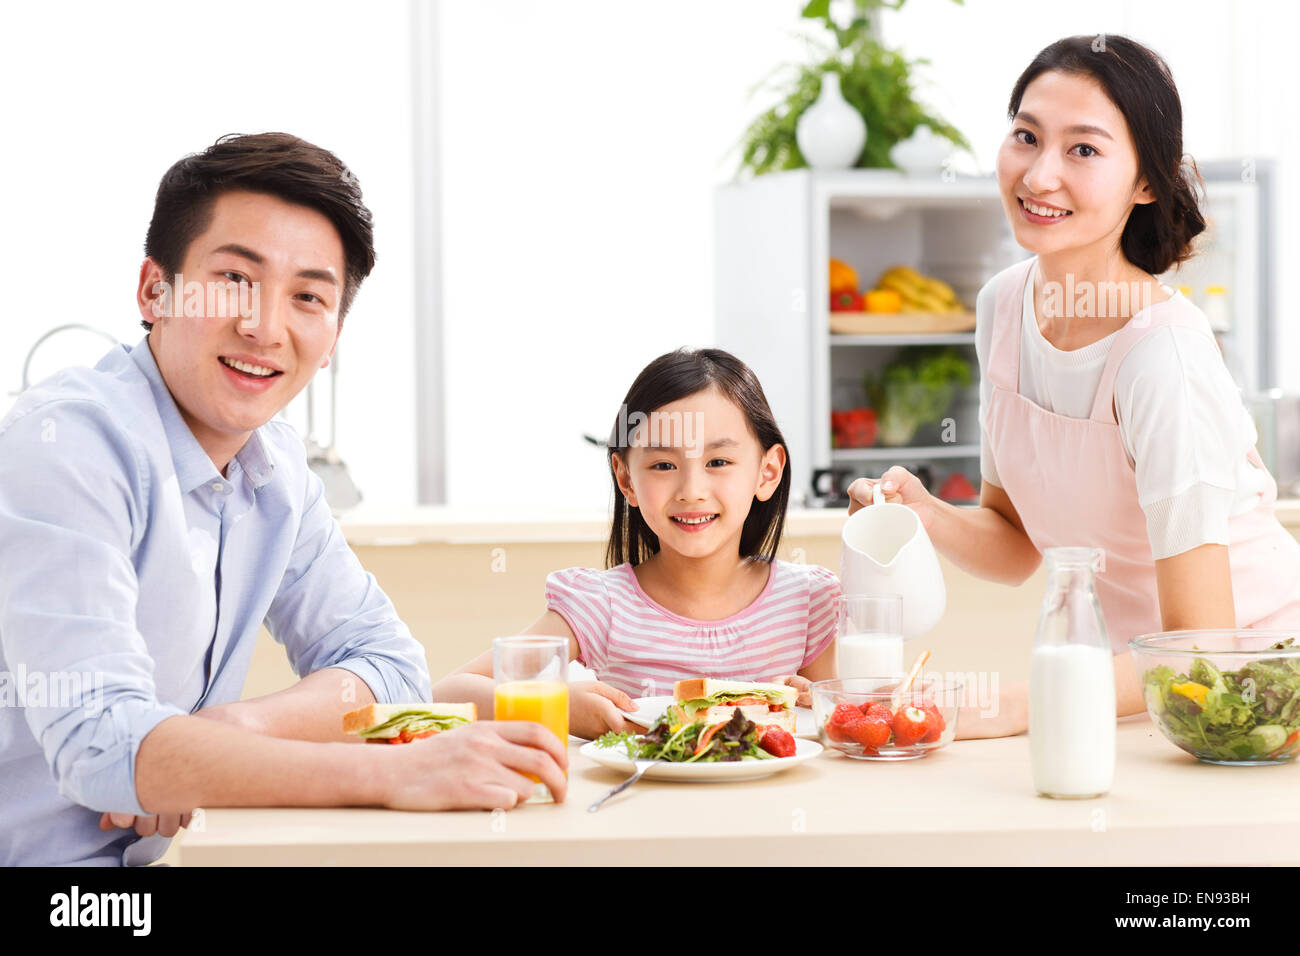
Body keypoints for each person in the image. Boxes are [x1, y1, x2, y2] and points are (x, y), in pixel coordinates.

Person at [0, 132, 566, 867]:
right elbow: (102, 746)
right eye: (235, 279)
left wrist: (228, 732)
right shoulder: (67, 447)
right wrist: (391, 774)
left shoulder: (276, 470)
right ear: (153, 289)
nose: (265, 328)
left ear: (331, 336)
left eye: (307, 296)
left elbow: (389, 664)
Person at [848, 36, 1300, 738]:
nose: (1039, 174)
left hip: (1255, 689)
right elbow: (1016, 544)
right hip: (1135, 690)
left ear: (1147, 181)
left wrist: (997, 705)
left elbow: (1202, 642)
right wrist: (924, 514)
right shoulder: (1003, 306)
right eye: (1026, 136)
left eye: (1083, 150)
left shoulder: (1163, 357)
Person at [434, 348, 841, 739]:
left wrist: (820, 703)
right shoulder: (601, 604)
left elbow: (848, 726)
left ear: (767, 472)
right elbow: (447, 696)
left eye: (718, 462)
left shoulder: (806, 600)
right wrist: (553, 706)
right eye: (664, 465)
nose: (692, 490)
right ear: (626, 479)